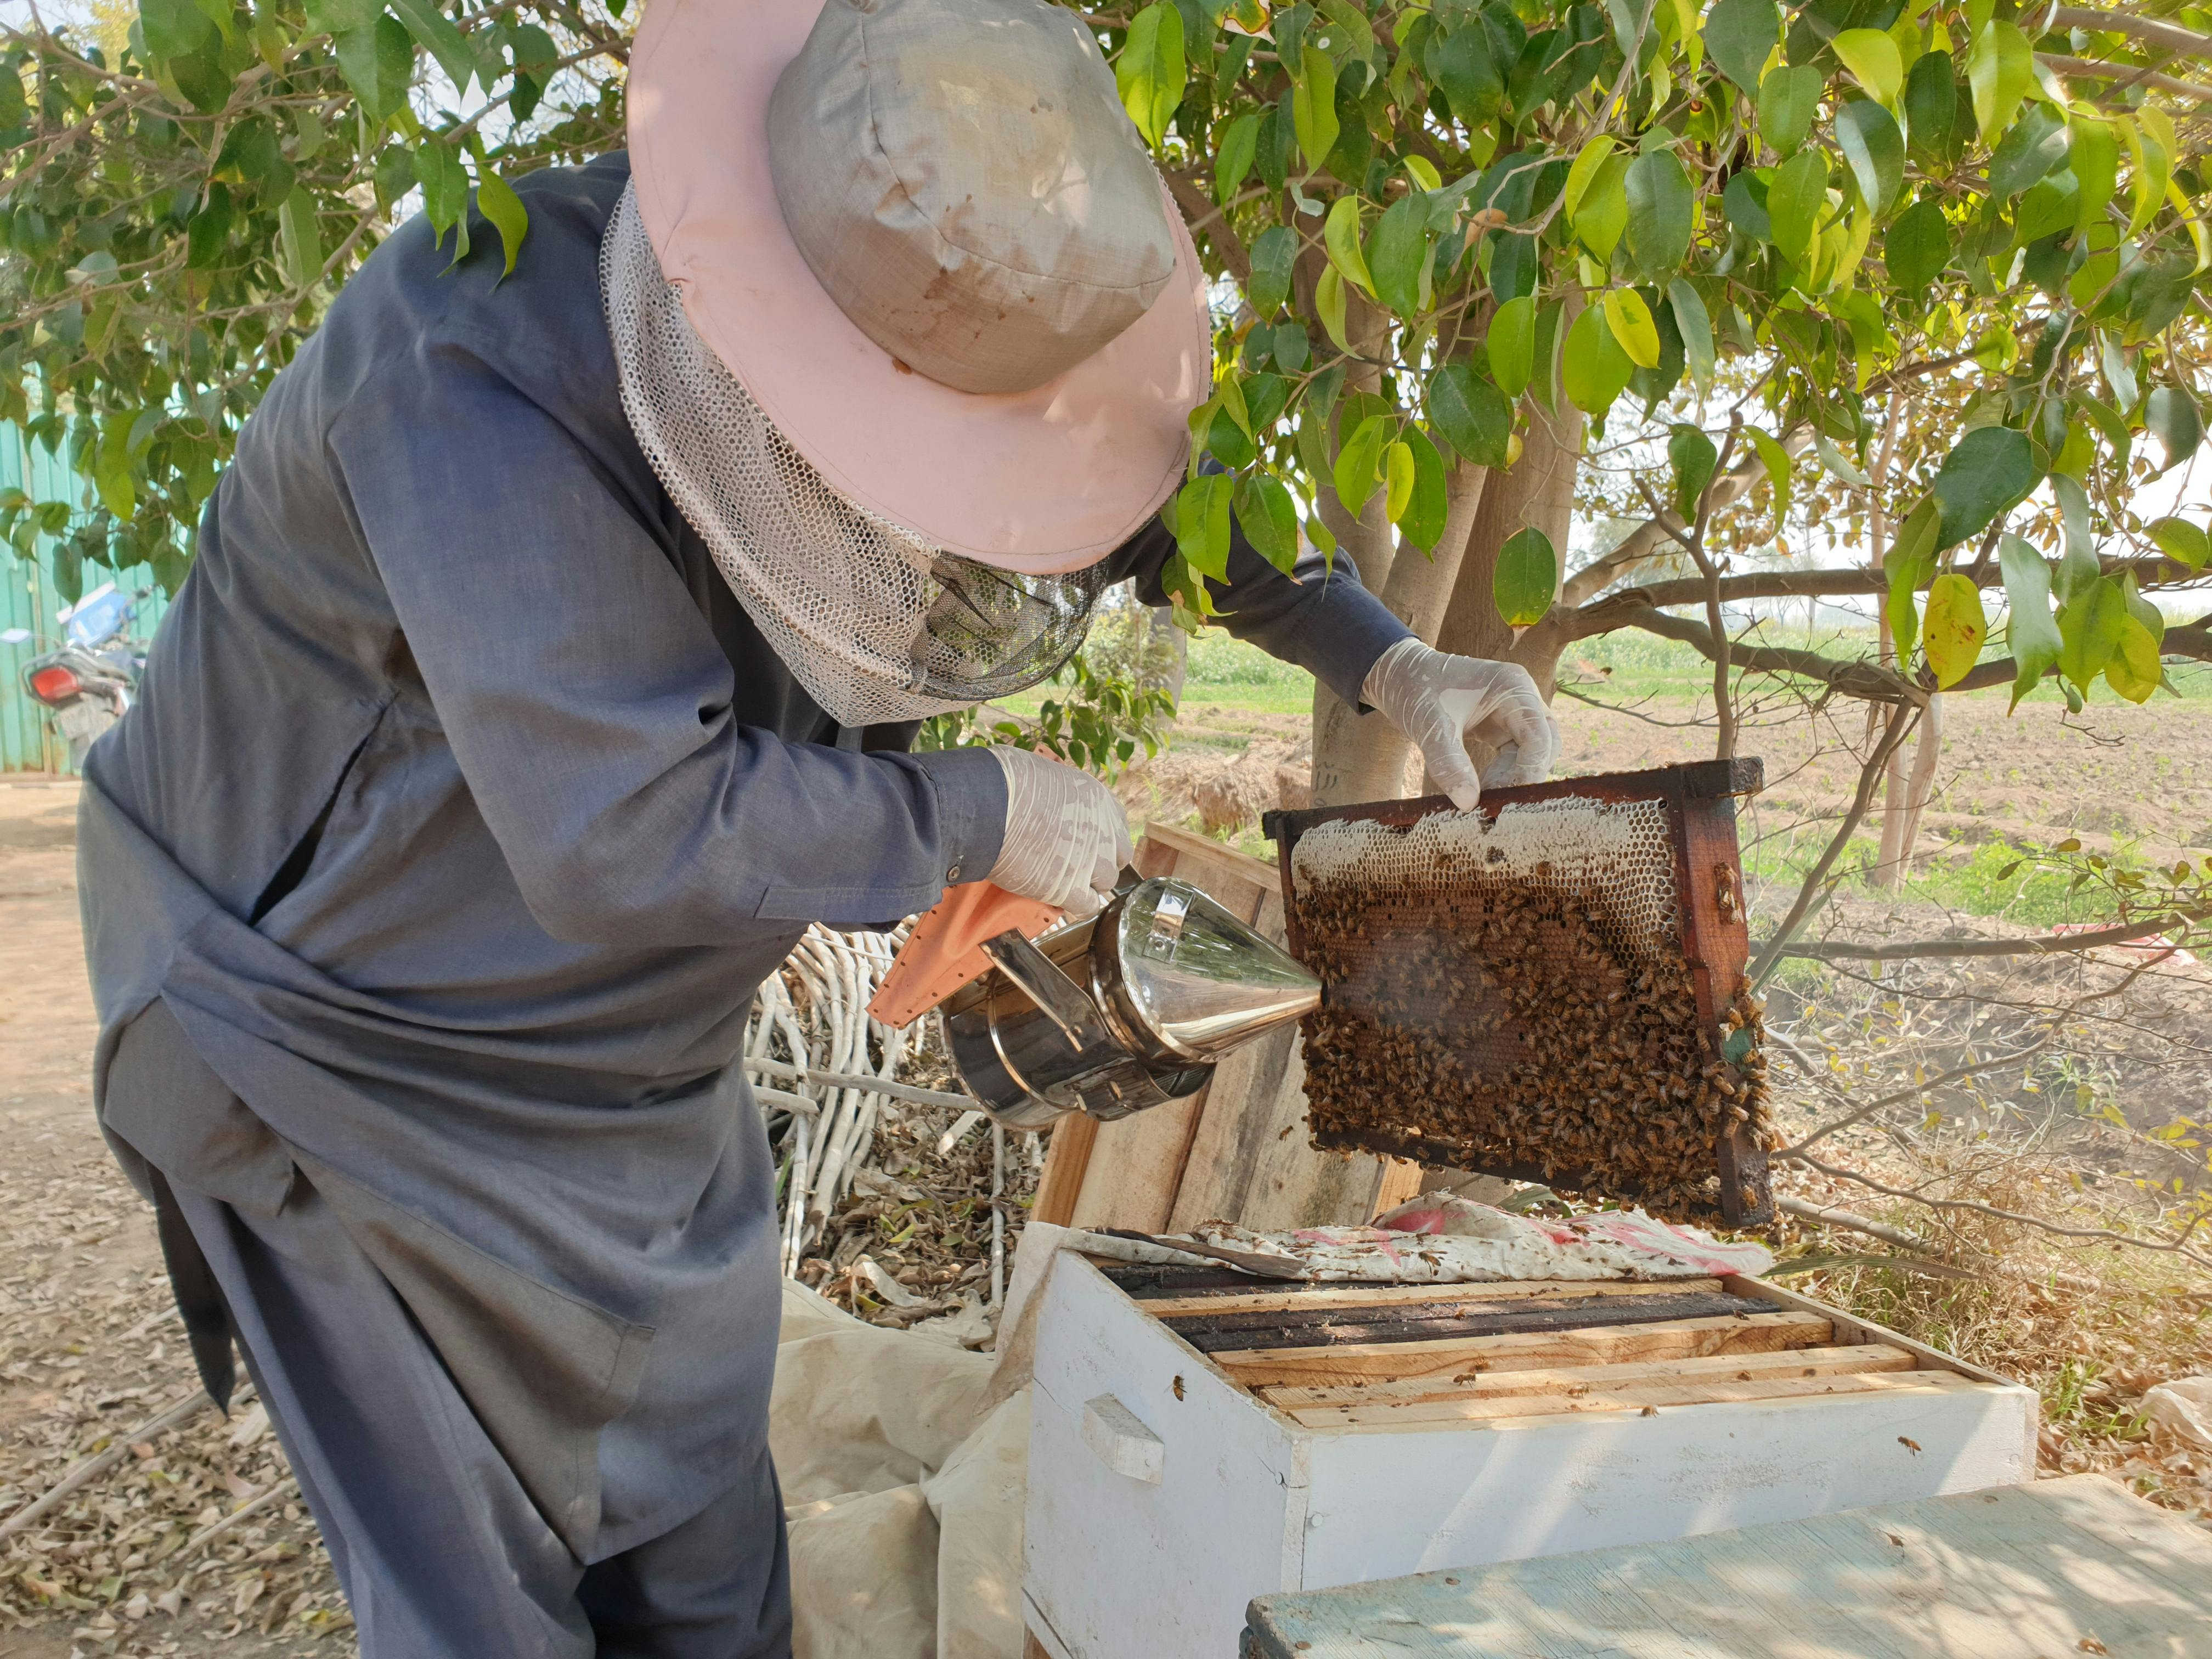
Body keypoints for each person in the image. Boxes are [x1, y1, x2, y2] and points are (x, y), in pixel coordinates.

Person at [77, 0, 1560, 1650]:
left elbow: (1142, 489)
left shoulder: (928, 282)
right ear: (781, 331)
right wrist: (984, 806)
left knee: (709, 1550)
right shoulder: (467, 363)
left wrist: (1387, 658)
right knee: (483, 1598)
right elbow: (621, 830)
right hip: (340, 1054)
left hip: (637, 1063)